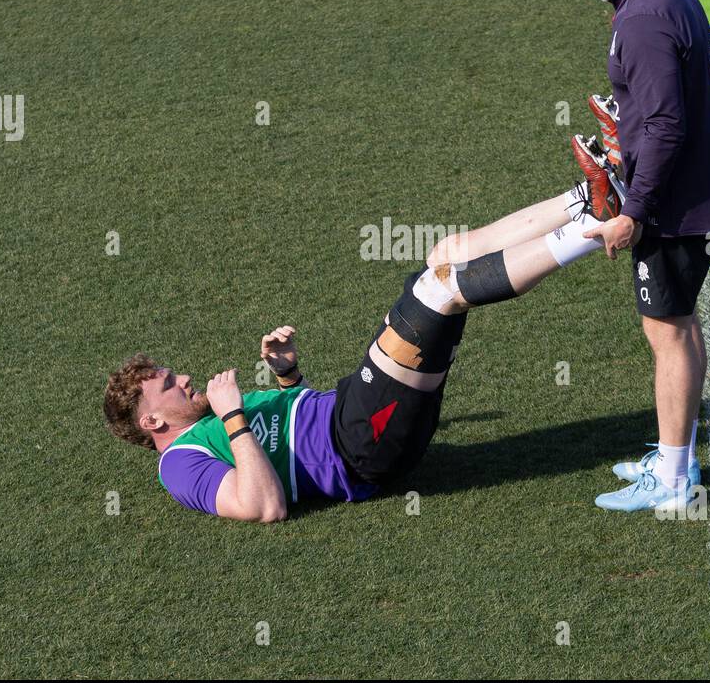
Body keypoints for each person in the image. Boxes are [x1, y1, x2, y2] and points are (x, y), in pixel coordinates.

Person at [102, 160, 622, 523]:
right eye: (169, 384)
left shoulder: (208, 420)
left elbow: (287, 435)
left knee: (445, 257)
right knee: (437, 291)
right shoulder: (179, 465)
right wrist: (233, 415)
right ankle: (596, 225)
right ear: (151, 421)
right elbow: (263, 505)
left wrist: (288, 376)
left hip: (349, 416)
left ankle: (587, 195)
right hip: (358, 447)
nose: (184, 378)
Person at [558, 0, 710, 513]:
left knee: (666, 332)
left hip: (674, 207)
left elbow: (665, 124)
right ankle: (674, 454)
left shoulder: (641, 20)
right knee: (679, 325)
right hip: (692, 194)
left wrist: (634, 210)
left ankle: (672, 476)